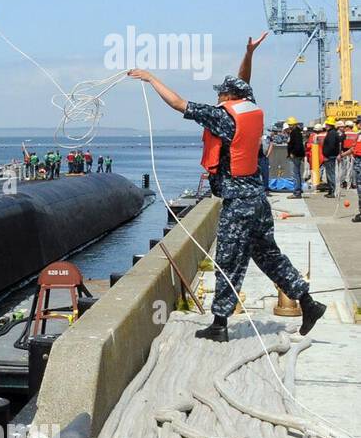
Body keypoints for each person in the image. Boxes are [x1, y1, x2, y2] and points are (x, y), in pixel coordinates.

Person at [128, 69, 325, 341]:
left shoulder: (222, 116)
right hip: (257, 199)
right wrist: (249, 53)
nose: (218, 97)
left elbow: (177, 103)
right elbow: (244, 81)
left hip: (238, 203)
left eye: (221, 92)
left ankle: (219, 324)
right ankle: (307, 302)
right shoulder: (252, 111)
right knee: (268, 255)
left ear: (230, 95)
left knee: (227, 260)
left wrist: (151, 79)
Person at [286, 116, 306, 198]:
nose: (290, 126)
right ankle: (298, 190)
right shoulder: (297, 132)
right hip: (298, 155)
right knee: (297, 173)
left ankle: (297, 192)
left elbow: (297, 145)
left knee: (295, 174)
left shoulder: (295, 132)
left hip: (295, 156)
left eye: (290, 124)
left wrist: (293, 153)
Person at [322, 116, 342, 197]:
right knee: (330, 174)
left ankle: (333, 191)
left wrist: (326, 155)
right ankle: (331, 191)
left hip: (330, 157)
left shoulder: (331, 134)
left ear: (329, 125)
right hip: (331, 156)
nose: (325, 126)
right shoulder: (333, 133)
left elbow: (331, 146)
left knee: (331, 175)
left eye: (327, 124)